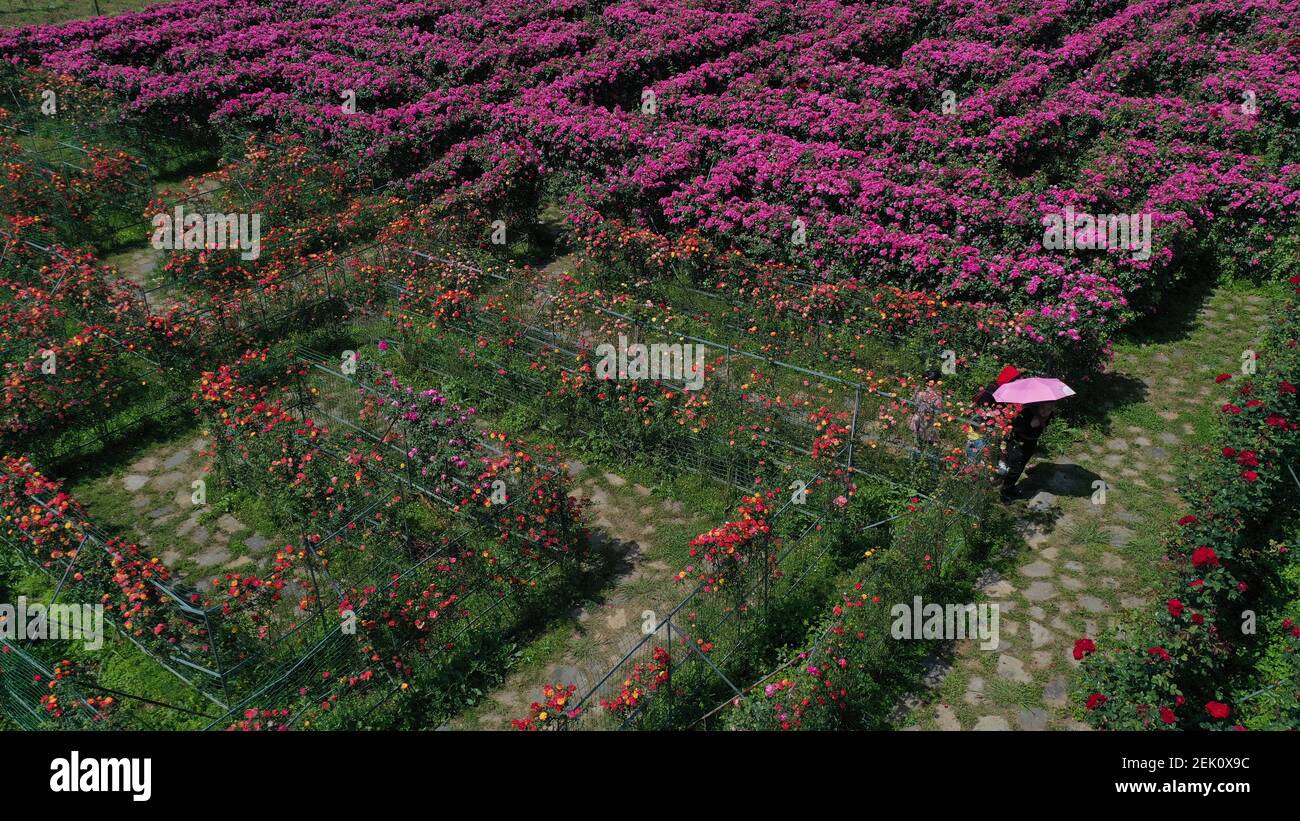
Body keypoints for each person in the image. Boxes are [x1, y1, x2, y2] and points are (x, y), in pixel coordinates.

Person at [1000, 400, 1056, 502]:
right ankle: (1005, 492)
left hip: (1031, 443)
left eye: (1048, 409)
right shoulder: (1026, 412)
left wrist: (1042, 421)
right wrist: (1030, 425)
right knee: (1016, 468)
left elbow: (1043, 426)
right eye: (1043, 408)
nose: (1045, 412)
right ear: (1038, 406)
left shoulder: (1049, 414)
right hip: (1018, 443)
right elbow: (1015, 427)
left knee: (1020, 466)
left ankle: (1009, 485)